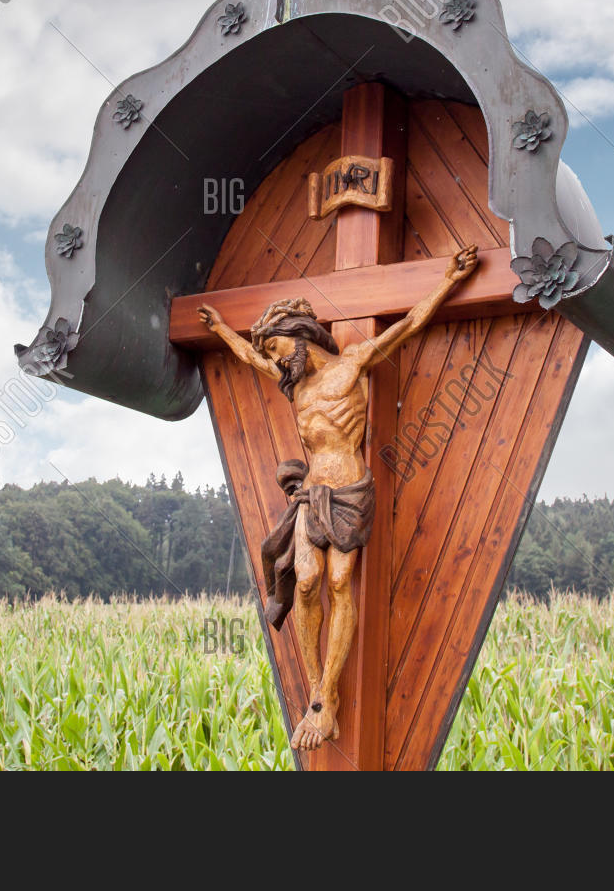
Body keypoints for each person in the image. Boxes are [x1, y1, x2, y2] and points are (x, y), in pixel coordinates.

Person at [196, 244, 479, 750]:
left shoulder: (352, 366)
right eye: (272, 355)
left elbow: (409, 326)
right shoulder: (294, 387)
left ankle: (329, 694)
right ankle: (319, 694)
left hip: (349, 489)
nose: (275, 360)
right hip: (311, 494)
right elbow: (245, 355)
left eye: (278, 349)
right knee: (306, 581)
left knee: (340, 579)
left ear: (300, 338)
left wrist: (449, 281)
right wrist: (220, 329)